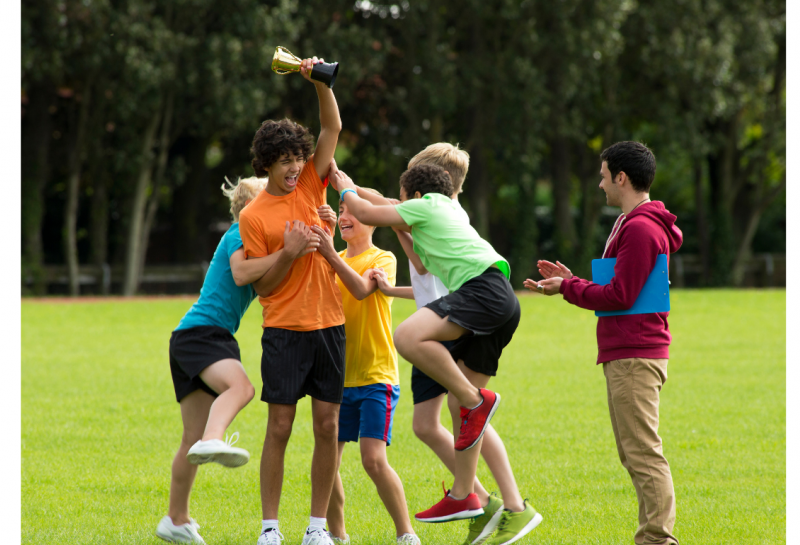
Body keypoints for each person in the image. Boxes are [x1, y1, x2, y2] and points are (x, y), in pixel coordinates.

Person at [330, 162, 543, 545]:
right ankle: (470, 497)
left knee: (409, 339)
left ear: (415, 194)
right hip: (495, 300)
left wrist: (344, 188)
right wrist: (391, 220)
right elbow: (423, 263)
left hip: (479, 295)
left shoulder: (427, 205)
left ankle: (476, 407)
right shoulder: (446, 211)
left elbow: (368, 209)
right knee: (454, 417)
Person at [526, 141, 682, 545]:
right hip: (627, 350)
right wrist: (574, 279)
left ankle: (657, 539)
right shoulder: (636, 223)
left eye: (602, 175)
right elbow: (622, 287)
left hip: (635, 352)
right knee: (633, 453)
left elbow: (621, 296)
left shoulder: (641, 228)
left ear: (621, 177)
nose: (600, 184)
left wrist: (568, 287)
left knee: (643, 452)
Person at [156, 176, 321, 544]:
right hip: (204, 334)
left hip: (192, 337)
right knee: (242, 388)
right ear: (255, 208)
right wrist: (287, 251)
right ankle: (215, 439)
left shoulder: (253, 239)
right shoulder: (238, 233)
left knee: (189, 439)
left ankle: (175, 519)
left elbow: (274, 275)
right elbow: (242, 272)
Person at [238, 56, 345, 545]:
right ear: (266, 163)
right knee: (279, 426)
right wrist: (288, 252)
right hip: (283, 330)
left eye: (297, 159)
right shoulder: (254, 216)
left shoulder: (309, 183)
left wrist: (320, 81)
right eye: (284, 161)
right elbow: (262, 287)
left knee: (327, 425)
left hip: (329, 326)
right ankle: (269, 527)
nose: (294, 168)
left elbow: (332, 125)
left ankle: (317, 527)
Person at [308, 187, 420, 545]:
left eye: (352, 211)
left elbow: (360, 290)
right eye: (341, 211)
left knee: (373, 460)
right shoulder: (333, 256)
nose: (344, 217)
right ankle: (337, 535)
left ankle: (406, 534)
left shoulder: (383, 258)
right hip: (338, 378)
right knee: (330, 462)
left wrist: (329, 255)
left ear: (371, 219)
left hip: (376, 376)